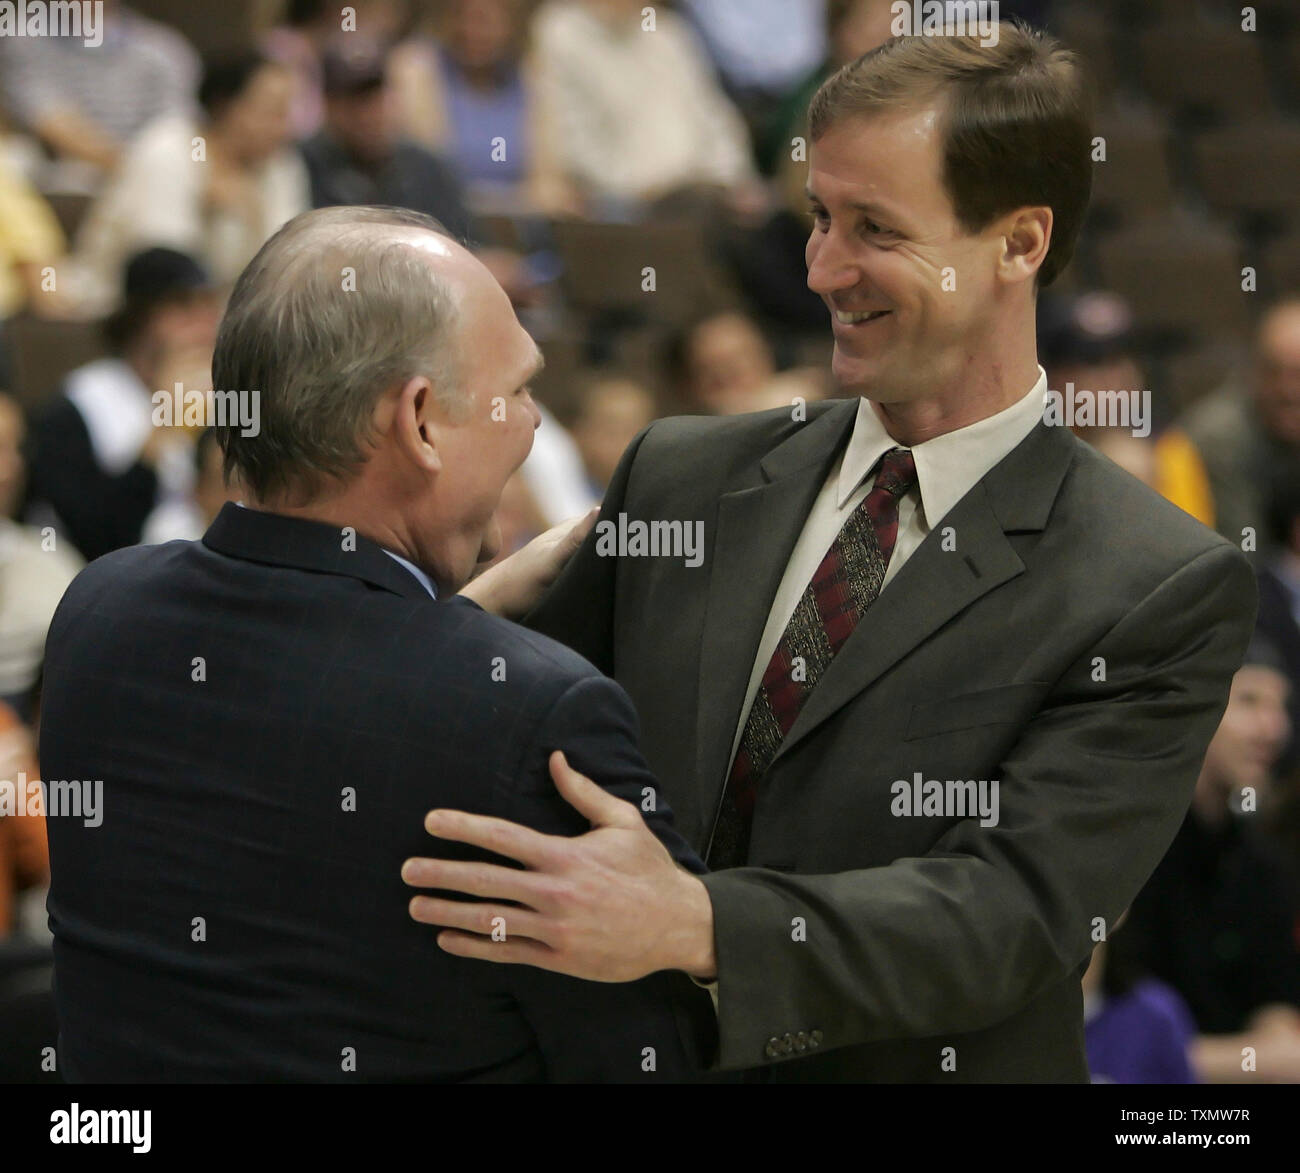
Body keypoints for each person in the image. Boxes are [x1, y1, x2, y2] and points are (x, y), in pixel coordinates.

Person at [405, 26, 1258, 1082]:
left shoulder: (1157, 584)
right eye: (817, 217)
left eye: (874, 229)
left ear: (1019, 244)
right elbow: (466, 731)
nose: (820, 269)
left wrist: (694, 923)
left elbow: (1010, 916)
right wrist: (473, 610)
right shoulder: (679, 475)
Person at [40, 205, 712, 1082]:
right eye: (515, 392)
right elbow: (664, 1056)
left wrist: (458, 618)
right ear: (421, 420)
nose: (534, 424)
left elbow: (312, 712)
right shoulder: (539, 713)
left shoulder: (98, 610)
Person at [1123, 640, 1300, 1082]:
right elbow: (1113, 1043)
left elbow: (1275, 996)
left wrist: (1273, 1044)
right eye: (1249, 701)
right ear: (1196, 708)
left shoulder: (1258, 861)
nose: (1272, 728)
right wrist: (1262, 1061)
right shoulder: (1133, 853)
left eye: (1282, 707)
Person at [66, 52, 309, 315]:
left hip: (229, 320)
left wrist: (252, 213)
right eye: (271, 112)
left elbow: (288, 265)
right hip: (127, 312)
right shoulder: (168, 146)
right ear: (224, 105)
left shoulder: (281, 165)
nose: (284, 128)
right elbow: (163, 268)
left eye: (286, 114)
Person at [26, 248, 220, 562]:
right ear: (139, 319)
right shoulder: (77, 405)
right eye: (184, 309)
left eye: (209, 309)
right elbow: (97, 539)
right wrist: (164, 426)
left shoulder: (226, 401)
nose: (204, 328)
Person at [1179, 298, 1300, 556]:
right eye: (1274, 372)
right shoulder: (1219, 437)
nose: (1288, 390)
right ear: (1253, 371)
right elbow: (1245, 554)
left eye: (1298, 374)